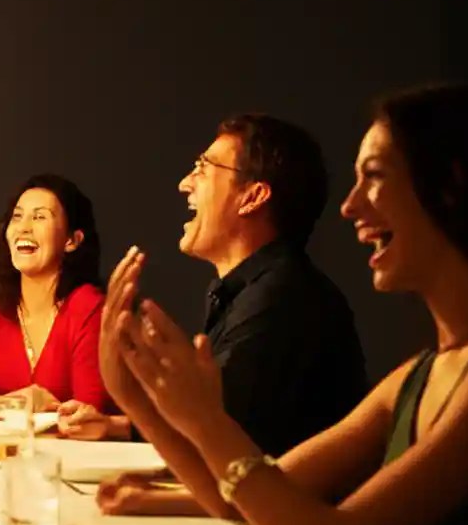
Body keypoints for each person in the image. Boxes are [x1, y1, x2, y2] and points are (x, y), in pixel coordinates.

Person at [98, 85, 468, 525]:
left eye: (374, 178)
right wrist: (132, 396)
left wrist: (201, 420)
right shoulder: (418, 375)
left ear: (453, 186)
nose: (351, 207)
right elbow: (242, 498)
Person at [61, 114, 366, 445]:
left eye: (203, 169)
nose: (185, 183)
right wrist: (116, 424)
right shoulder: (252, 288)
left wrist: (123, 378)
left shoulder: (282, 298)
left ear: (252, 197)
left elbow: (219, 443)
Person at [0, 173, 109, 413]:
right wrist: (15, 405)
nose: (23, 228)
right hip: (5, 447)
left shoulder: (88, 306)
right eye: (17, 216)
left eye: (40, 217)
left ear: (71, 240)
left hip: (72, 450)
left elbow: (90, 413)